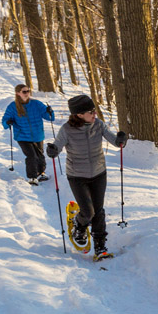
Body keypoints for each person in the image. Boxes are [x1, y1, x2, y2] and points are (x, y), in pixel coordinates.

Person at [45, 95, 125, 260]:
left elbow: (116, 142)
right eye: (91, 111)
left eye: (94, 110)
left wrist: (121, 139)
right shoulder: (67, 129)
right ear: (79, 114)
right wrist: (52, 150)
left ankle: (100, 248)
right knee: (88, 212)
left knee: (98, 211)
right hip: (77, 176)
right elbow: (57, 147)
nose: (95, 114)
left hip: (99, 173)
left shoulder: (99, 125)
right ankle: (78, 224)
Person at [1, 83, 55, 185]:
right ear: (18, 93)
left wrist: (50, 111)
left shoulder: (36, 104)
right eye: (24, 92)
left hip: (37, 135)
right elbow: (5, 119)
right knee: (31, 156)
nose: (27, 93)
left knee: (40, 156)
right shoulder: (13, 107)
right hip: (22, 136)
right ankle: (32, 177)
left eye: (28, 91)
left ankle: (41, 173)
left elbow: (50, 118)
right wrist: (7, 122)